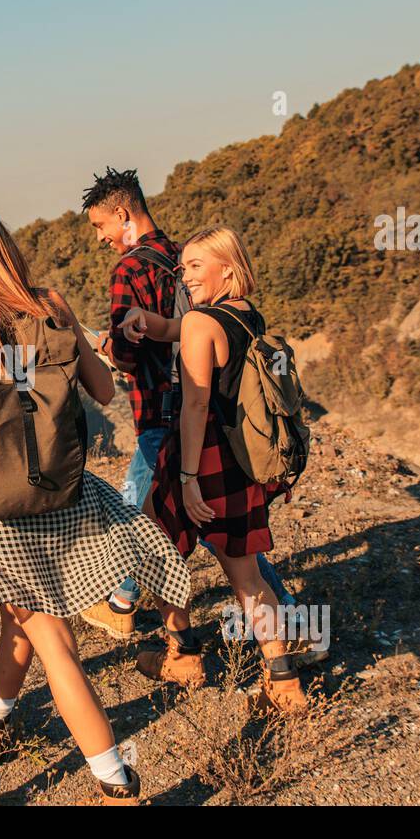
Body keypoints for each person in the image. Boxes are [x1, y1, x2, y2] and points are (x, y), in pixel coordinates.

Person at [0, 199, 193, 804]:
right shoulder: (50, 304)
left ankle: (116, 783)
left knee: (54, 640)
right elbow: (104, 389)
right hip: (63, 494)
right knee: (21, 618)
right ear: (2, 242)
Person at [77, 167, 296, 641]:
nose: (100, 238)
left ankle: (165, 634)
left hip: (170, 418)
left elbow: (130, 355)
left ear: (122, 214)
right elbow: (184, 328)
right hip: (222, 425)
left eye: (101, 226)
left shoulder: (129, 269)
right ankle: (282, 638)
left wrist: (103, 345)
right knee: (229, 544)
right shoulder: (186, 259)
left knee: (157, 531)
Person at [120, 225, 307, 712]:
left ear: (228, 267)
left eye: (195, 266)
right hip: (239, 463)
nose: (185, 276)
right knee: (247, 578)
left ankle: (183, 654)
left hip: (198, 462)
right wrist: (143, 319)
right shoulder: (244, 316)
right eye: (182, 267)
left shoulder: (202, 323)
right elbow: (173, 330)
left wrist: (185, 479)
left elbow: (195, 405)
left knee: (153, 556)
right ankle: (283, 682)